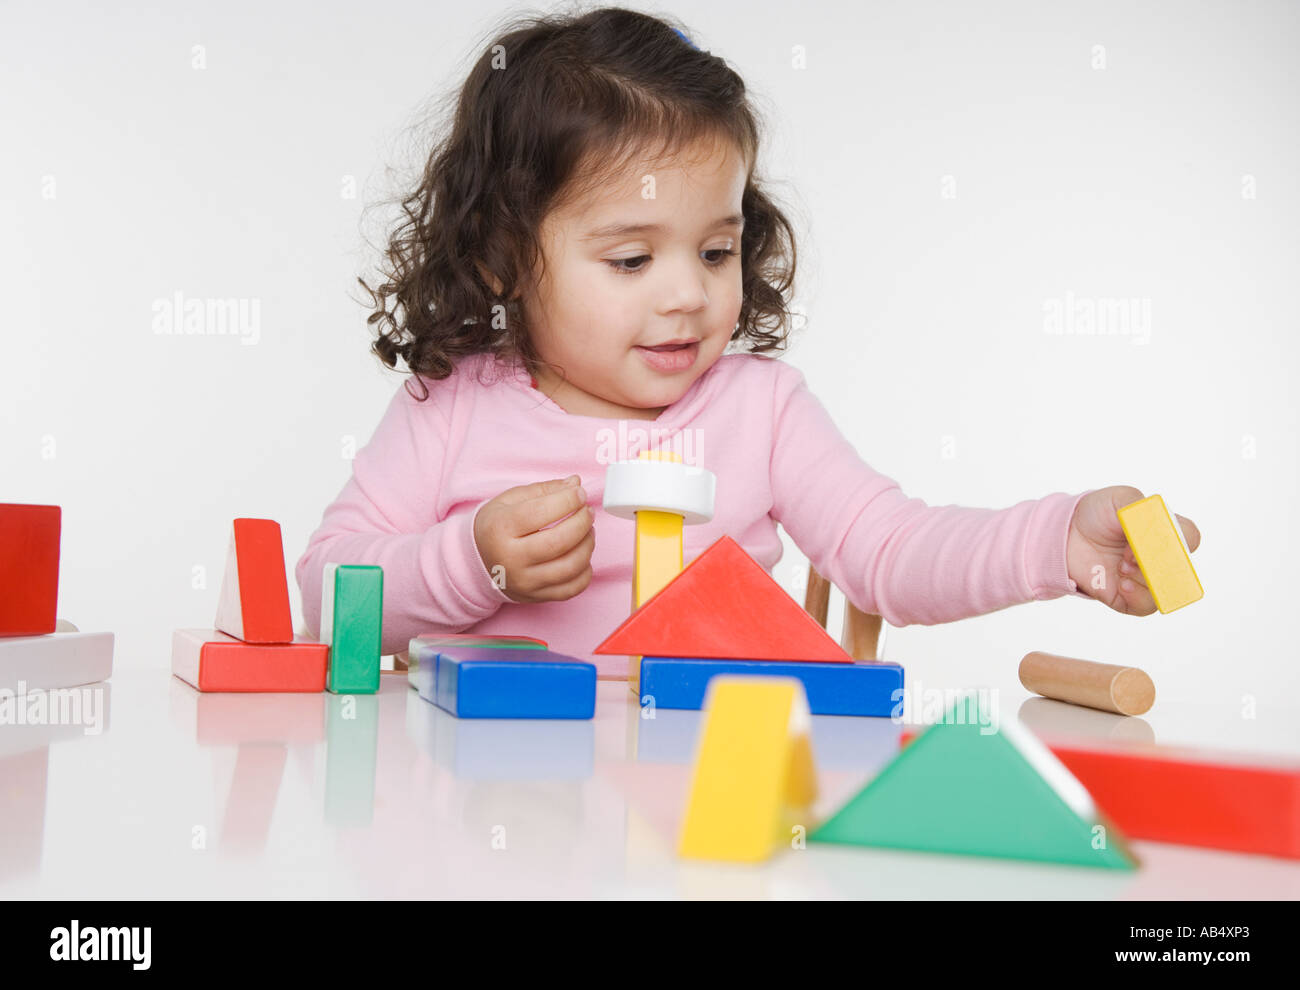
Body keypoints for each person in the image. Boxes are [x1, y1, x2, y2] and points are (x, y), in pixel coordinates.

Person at [295, 8, 1200, 676]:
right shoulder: (458, 404)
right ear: (501, 258)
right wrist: (471, 561)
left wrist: (1055, 543)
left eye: (717, 249)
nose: (688, 293)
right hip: (498, 811)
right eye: (632, 258)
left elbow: (888, 552)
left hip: (712, 806)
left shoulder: (761, 411)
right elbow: (328, 595)